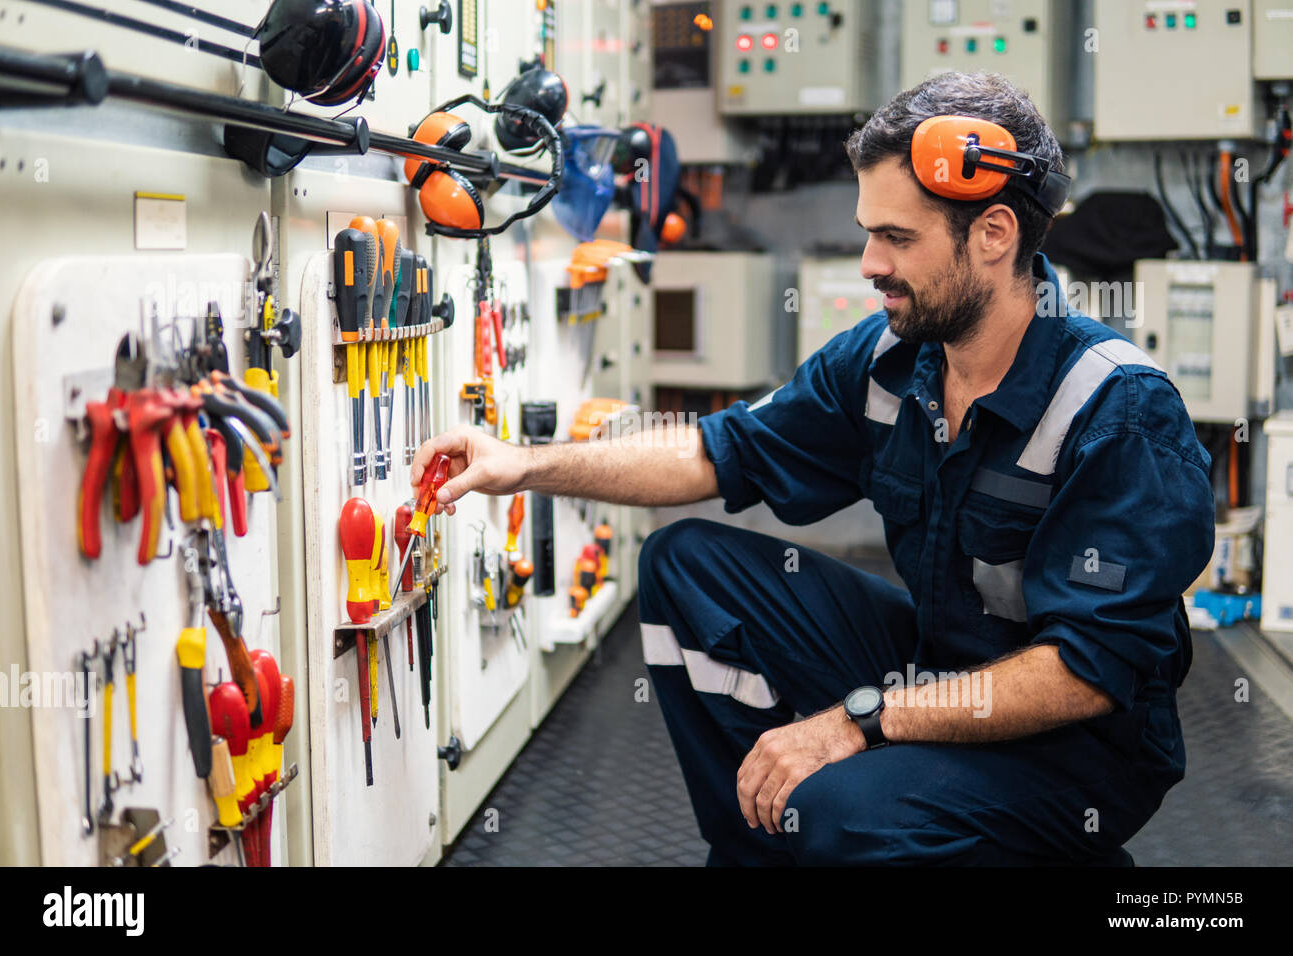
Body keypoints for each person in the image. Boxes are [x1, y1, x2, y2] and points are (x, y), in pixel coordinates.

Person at [409, 72, 1216, 866]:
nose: (869, 263)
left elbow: (1084, 675)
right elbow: (710, 450)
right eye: (869, 232)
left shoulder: (1118, 411)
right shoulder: (888, 363)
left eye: (897, 238)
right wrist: (523, 465)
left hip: (1074, 753)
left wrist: (859, 721)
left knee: (829, 814)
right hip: (940, 666)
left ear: (994, 235)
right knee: (688, 566)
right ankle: (758, 849)